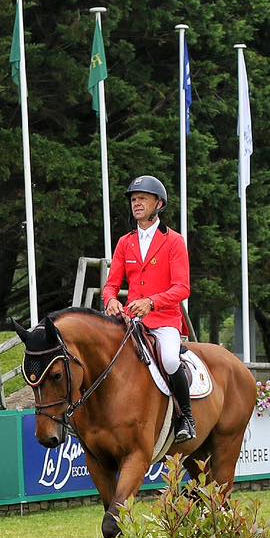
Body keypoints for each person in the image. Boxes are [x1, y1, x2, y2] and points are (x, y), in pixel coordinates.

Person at [102, 175, 195, 442]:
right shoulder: (124, 242)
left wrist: (152, 302)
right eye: (133, 199)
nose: (137, 203)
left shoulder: (174, 241)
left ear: (159, 203)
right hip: (131, 321)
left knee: (169, 359)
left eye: (142, 198)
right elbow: (111, 285)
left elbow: (182, 288)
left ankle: (186, 417)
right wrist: (110, 301)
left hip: (164, 320)